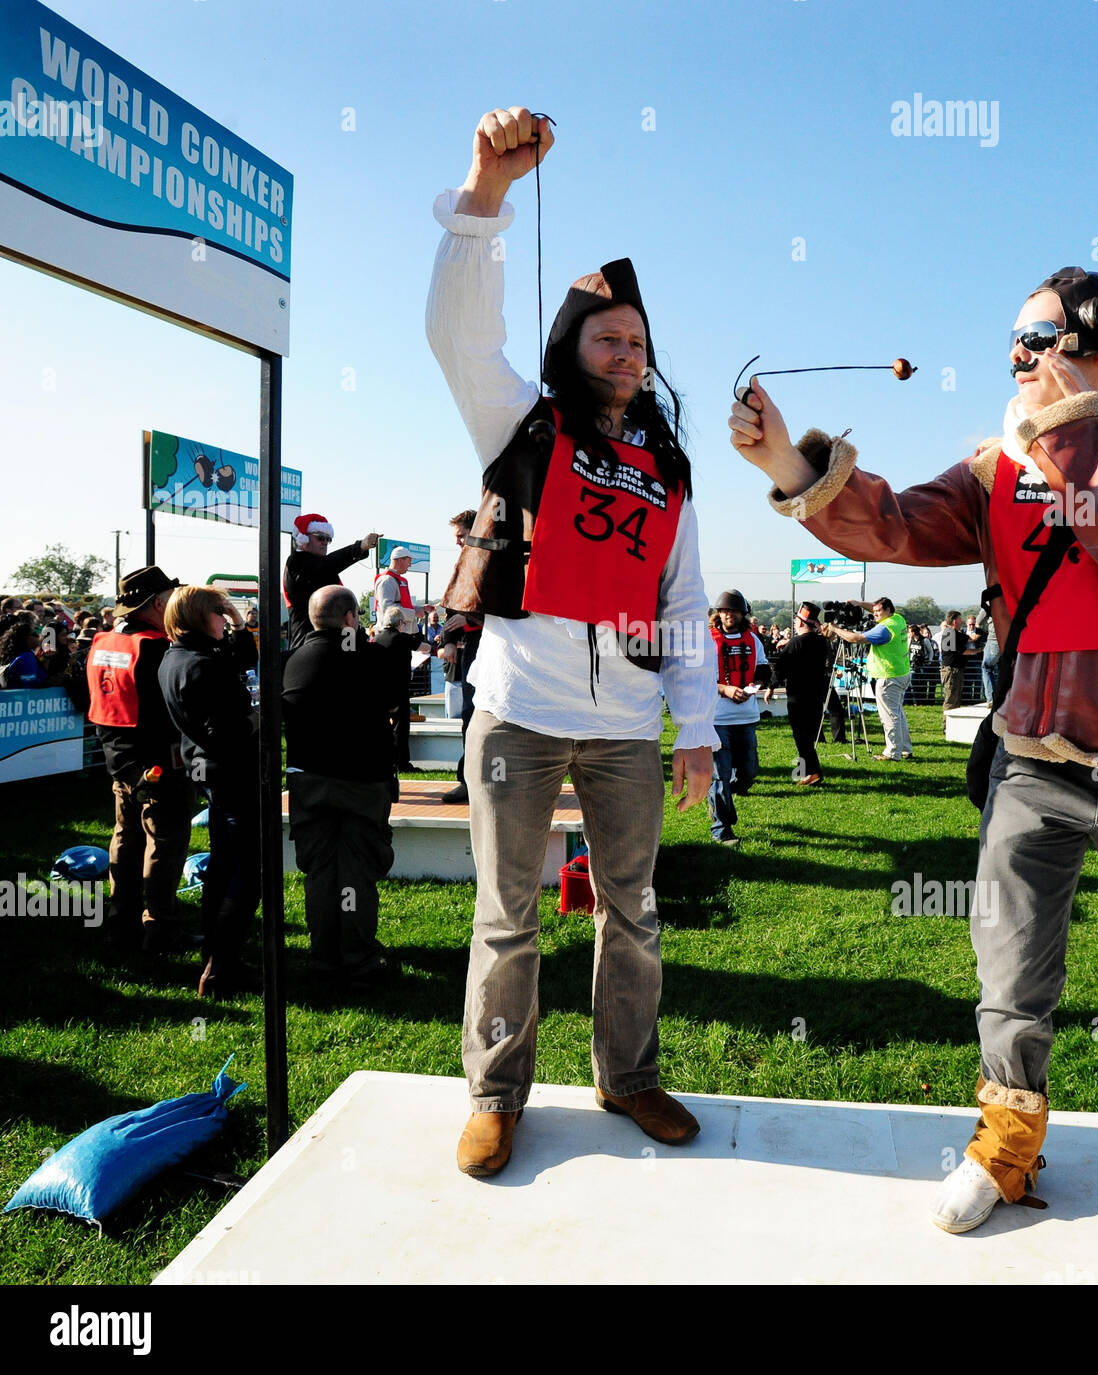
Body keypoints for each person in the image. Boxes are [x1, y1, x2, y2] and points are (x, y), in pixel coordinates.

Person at [731, 266, 1098, 1259]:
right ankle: (1007, 1147)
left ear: (1092, 340)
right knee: (1009, 974)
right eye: (1014, 335)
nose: (1011, 354)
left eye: (1033, 334)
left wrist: (1068, 429)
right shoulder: (993, 470)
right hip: (1030, 765)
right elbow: (891, 523)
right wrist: (786, 461)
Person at [427, 104, 715, 1177]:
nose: (627, 353)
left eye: (639, 340)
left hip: (627, 729)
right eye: (608, 335)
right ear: (571, 345)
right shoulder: (524, 426)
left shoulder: (671, 470)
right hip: (516, 713)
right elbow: (458, 337)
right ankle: (496, 1092)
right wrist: (485, 200)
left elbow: (684, 601)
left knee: (631, 913)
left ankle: (627, 1075)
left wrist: (698, 728)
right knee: (506, 919)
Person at [282, 585, 401, 984]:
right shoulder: (370, 658)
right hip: (362, 783)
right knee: (357, 870)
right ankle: (360, 957)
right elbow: (394, 703)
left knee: (320, 870)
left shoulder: (293, 659)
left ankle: (323, 955)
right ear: (351, 617)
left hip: (308, 782)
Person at [158, 587, 261, 998]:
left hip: (211, 771)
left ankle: (220, 959)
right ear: (200, 617)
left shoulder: (180, 655)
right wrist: (256, 721)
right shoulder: (200, 665)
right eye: (218, 612)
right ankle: (221, 967)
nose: (224, 618)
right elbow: (228, 729)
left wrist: (238, 623)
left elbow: (242, 658)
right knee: (245, 874)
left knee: (223, 865)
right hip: (229, 771)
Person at [86, 566, 195, 951]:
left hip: (120, 759)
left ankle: (122, 921)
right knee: (164, 844)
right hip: (159, 762)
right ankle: (161, 928)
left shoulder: (103, 642)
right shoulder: (157, 647)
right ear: (157, 603)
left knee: (127, 839)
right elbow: (174, 710)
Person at [709, 589, 771, 845]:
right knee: (720, 775)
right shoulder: (706, 641)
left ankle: (722, 796)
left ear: (742, 614)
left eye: (733, 611)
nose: (728, 615)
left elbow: (764, 671)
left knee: (749, 771)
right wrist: (724, 689)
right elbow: (697, 680)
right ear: (718, 614)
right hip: (717, 718)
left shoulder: (753, 640)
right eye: (724, 610)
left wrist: (752, 688)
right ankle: (722, 829)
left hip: (746, 716)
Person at [828, 596, 913, 760]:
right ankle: (904, 748)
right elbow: (874, 607)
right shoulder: (898, 619)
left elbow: (856, 639)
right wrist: (859, 604)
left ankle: (892, 752)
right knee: (898, 714)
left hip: (888, 676)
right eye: (874, 611)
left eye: (879, 611)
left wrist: (836, 629)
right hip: (901, 673)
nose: (875, 614)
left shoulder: (884, 629)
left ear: (888, 610)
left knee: (889, 716)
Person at [435, 510, 483, 805]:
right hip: (474, 647)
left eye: (461, 536)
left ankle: (495, 781)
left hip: (499, 647)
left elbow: (510, 607)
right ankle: (468, 782)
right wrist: (450, 640)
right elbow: (452, 604)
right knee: (470, 715)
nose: (457, 543)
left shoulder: (498, 561)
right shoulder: (463, 563)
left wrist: (469, 620)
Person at [283, 512, 380, 651]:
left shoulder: (324, 568)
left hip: (336, 645)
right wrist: (359, 547)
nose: (325, 542)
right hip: (309, 647)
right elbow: (325, 566)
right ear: (303, 539)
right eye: (320, 537)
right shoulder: (296, 563)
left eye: (328, 539)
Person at [770, 602, 834, 785]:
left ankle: (814, 772)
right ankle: (806, 771)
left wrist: (771, 687)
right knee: (808, 734)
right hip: (816, 694)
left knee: (801, 736)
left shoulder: (795, 643)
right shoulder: (822, 641)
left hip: (798, 696)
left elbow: (780, 668)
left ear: (800, 622)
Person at [373, 604, 434, 770]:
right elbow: (425, 648)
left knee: (383, 726)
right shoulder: (402, 638)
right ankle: (402, 762)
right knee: (401, 726)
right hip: (399, 689)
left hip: (380, 690)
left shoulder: (377, 638)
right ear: (400, 623)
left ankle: (385, 761)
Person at [374, 546, 433, 634]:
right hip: (391, 636)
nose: (410, 565)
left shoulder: (394, 579)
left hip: (401, 634)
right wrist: (414, 612)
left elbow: (402, 605)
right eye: (409, 561)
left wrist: (421, 608)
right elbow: (387, 609)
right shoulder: (386, 581)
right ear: (400, 560)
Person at [937, 611, 969, 710]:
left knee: (956, 698)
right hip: (951, 670)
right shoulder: (950, 633)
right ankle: (946, 724)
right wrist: (978, 650)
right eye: (960, 620)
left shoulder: (951, 633)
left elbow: (967, 638)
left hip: (955, 670)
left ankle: (952, 723)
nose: (961, 622)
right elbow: (962, 651)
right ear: (955, 621)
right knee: (951, 699)